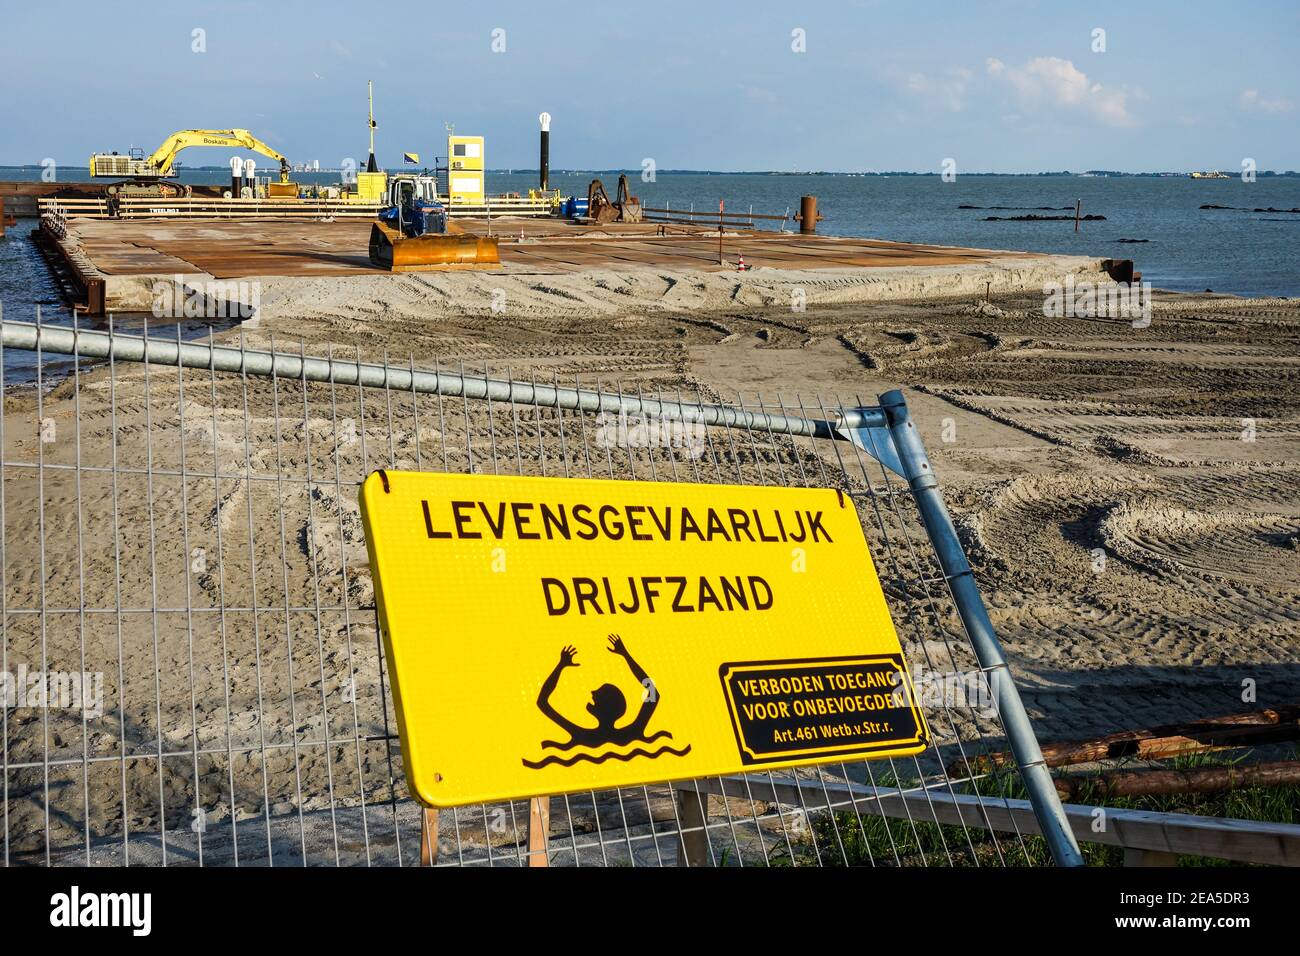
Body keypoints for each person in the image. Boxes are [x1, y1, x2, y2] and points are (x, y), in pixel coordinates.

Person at [535, 634, 665, 750]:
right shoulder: (631, 733)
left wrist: (560, 666)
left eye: (597, 695)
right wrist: (625, 654)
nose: (592, 693)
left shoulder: (584, 736)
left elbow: (542, 702)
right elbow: (652, 690)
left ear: (606, 707)